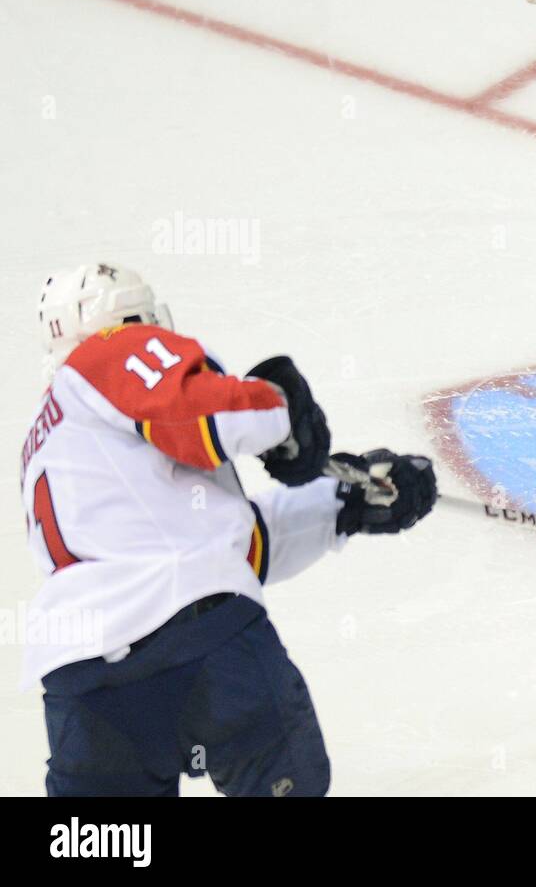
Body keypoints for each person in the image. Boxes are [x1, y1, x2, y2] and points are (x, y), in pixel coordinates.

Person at [21, 262, 436, 796]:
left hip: (83, 681)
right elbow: (225, 416)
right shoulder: (109, 352)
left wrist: (346, 501)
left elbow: (219, 547)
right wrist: (281, 406)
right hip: (200, 646)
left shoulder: (54, 435)